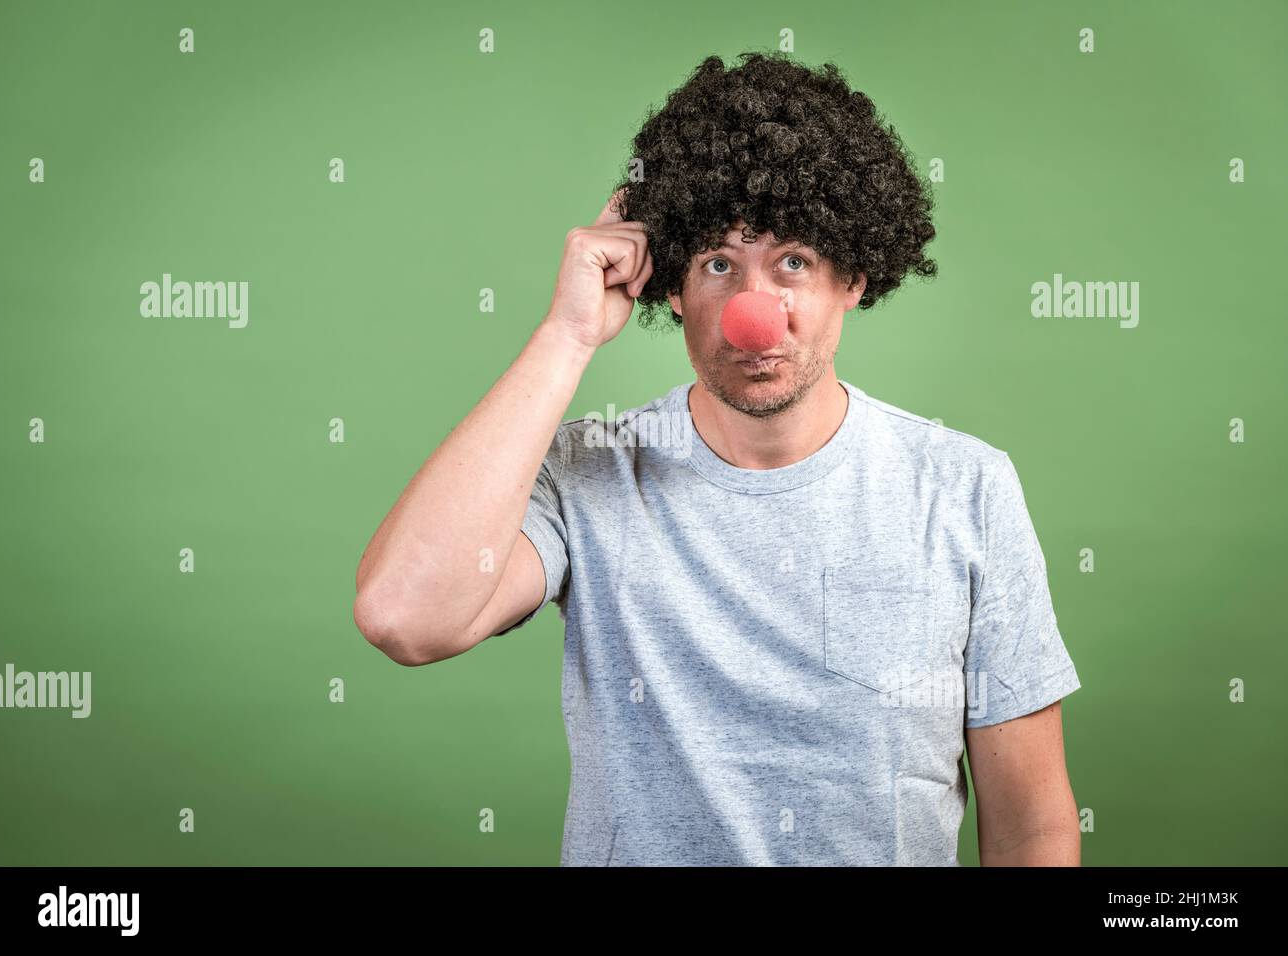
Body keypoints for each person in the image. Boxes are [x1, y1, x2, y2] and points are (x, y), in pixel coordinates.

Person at [353, 51, 1082, 866]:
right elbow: (404, 616)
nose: (752, 314)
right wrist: (568, 338)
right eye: (718, 264)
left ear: (856, 276)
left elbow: (1029, 828)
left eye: (793, 262)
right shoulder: (590, 473)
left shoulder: (965, 487)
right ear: (668, 285)